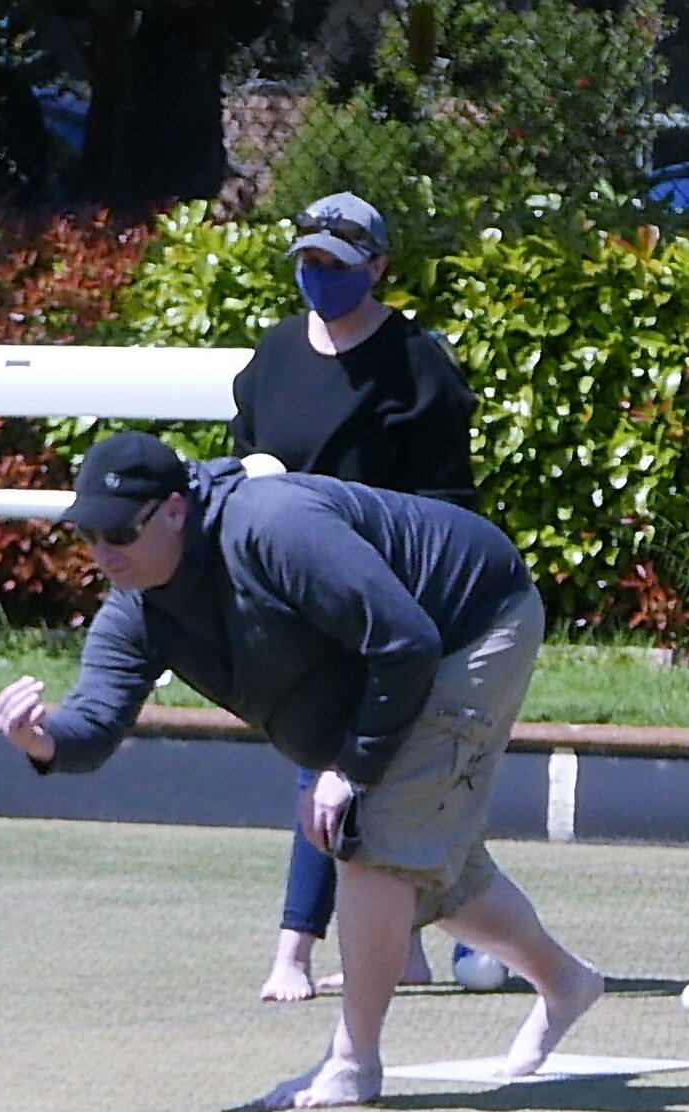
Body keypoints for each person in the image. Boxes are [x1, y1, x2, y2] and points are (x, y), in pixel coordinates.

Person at [0, 430, 604, 1108]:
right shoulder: (137, 610)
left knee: (372, 837)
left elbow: (404, 639)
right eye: (90, 537)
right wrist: (43, 739)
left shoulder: (272, 527)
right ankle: (567, 982)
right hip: (401, 659)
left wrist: (352, 768)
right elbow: (96, 722)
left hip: (473, 619)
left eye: (118, 534)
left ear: (173, 510)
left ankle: (352, 1062)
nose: (104, 554)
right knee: (429, 868)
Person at [234, 191, 483, 1003]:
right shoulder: (272, 359)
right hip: (298, 596)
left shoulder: (418, 364)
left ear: (377, 268)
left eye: (335, 266)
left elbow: (448, 502)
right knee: (355, 772)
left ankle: (293, 954)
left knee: (337, 766)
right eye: (307, 262)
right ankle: (400, 946)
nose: (318, 277)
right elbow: (249, 473)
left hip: (387, 598)